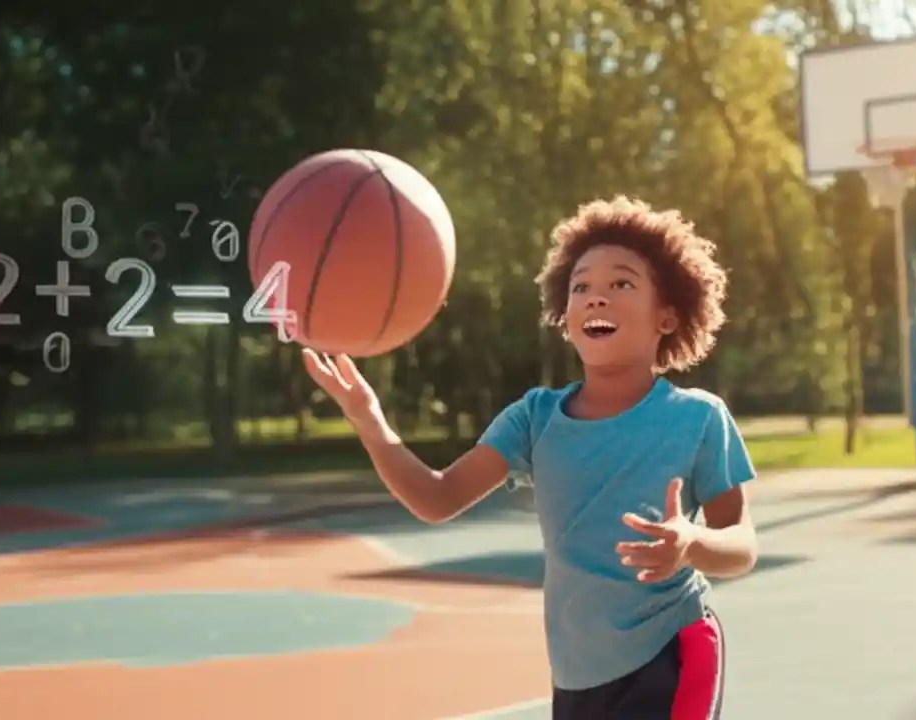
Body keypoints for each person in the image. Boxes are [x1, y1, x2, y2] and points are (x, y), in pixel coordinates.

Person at [302, 195, 758, 719]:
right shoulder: (535, 419)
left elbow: (741, 544)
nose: (596, 298)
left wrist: (693, 542)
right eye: (581, 287)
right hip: (577, 673)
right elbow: (436, 497)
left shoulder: (697, 418)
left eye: (621, 284)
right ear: (565, 315)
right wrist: (369, 420)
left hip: (671, 652)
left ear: (668, 315)